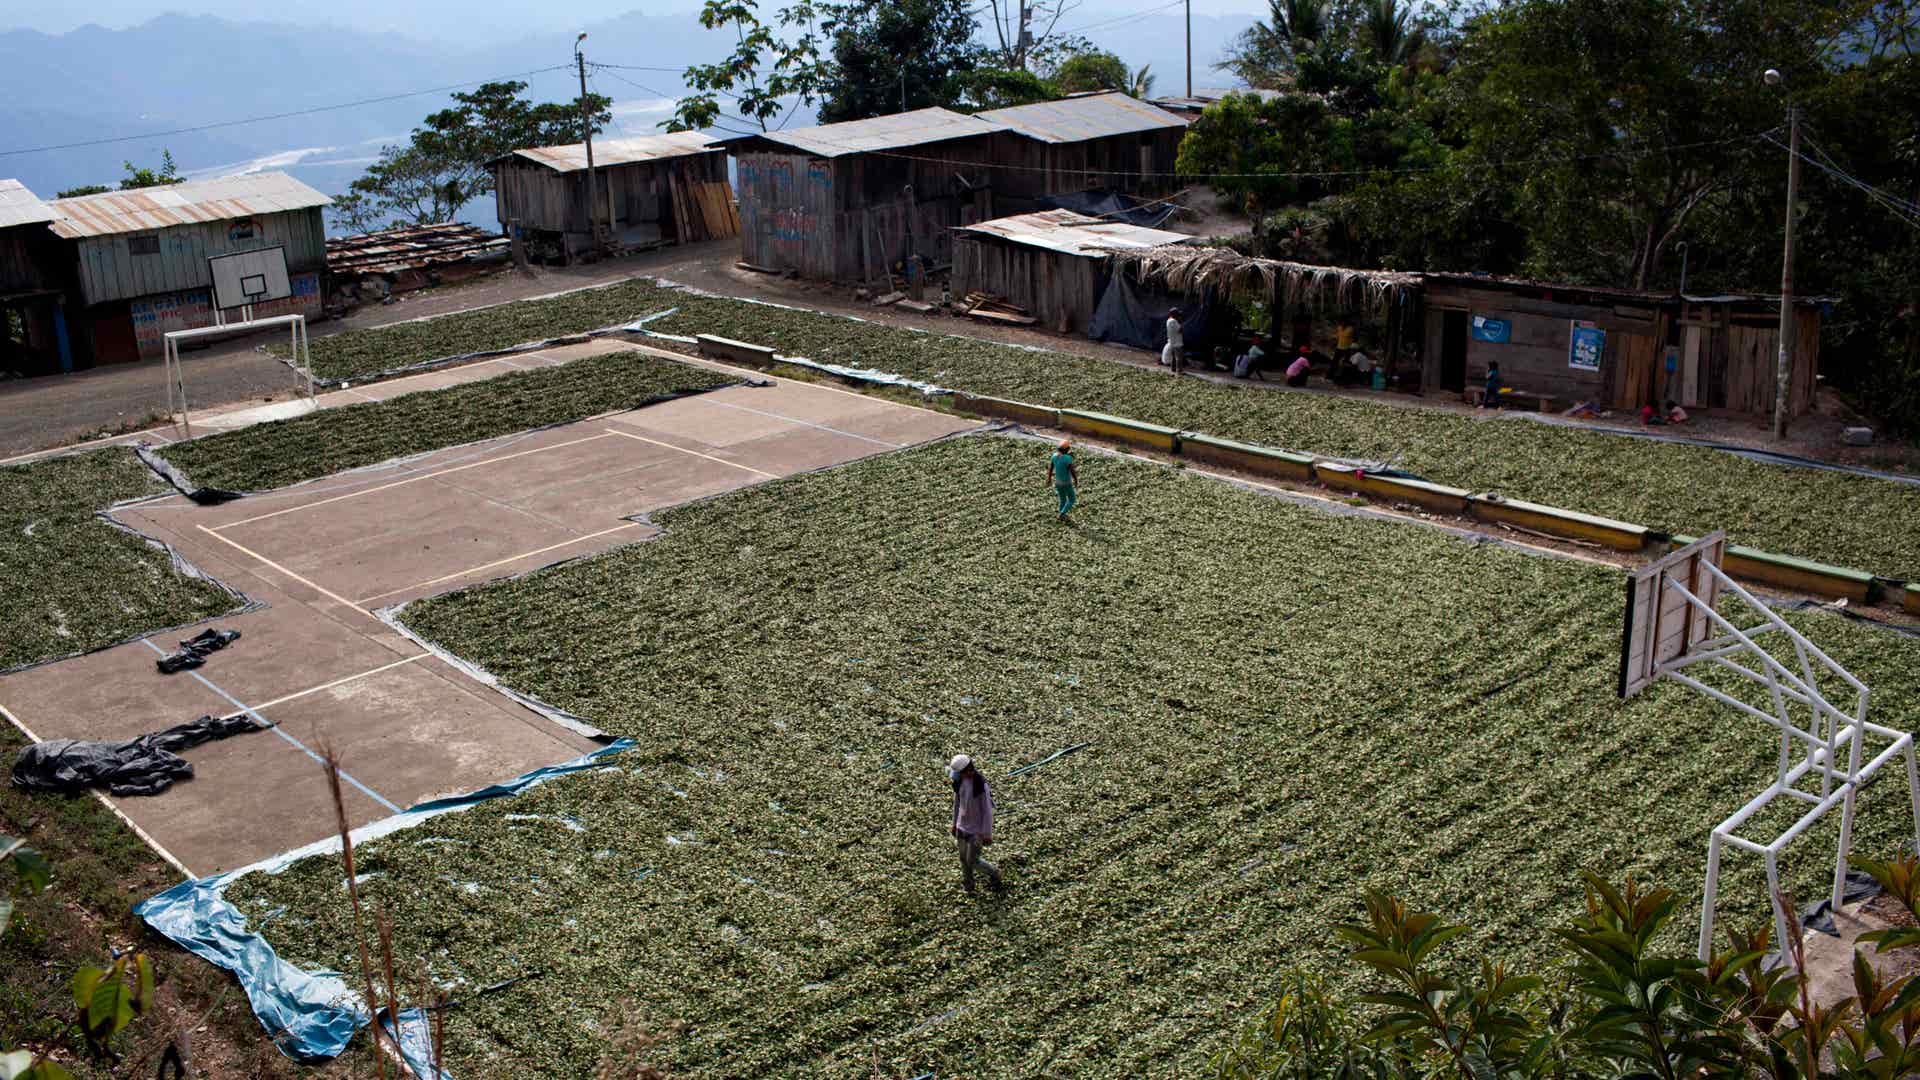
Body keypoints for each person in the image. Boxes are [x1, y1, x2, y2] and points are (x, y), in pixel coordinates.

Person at [949, 754, 1001, 892]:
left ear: (968, 769)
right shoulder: (959, 781)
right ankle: (968, 885)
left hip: (976, 831)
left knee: (973, 861)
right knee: (963, 858)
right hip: (962, 827)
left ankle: (995, 873)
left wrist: (987, 834)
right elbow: (957, 803)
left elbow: (987, 811)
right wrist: (954, 824)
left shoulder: (980, 785)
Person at [1047, 439, 1078, 520]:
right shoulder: (1068, 458)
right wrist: (1075, 480)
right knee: (1072, 499)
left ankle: (1062, 515)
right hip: (1066, 483)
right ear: (1067, 449)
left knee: (1062, 499)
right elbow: (1072, 470)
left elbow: (1051, 468)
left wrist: (1049, 479)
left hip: (1058, 482)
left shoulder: (1054, 456)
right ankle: (1062, 513)